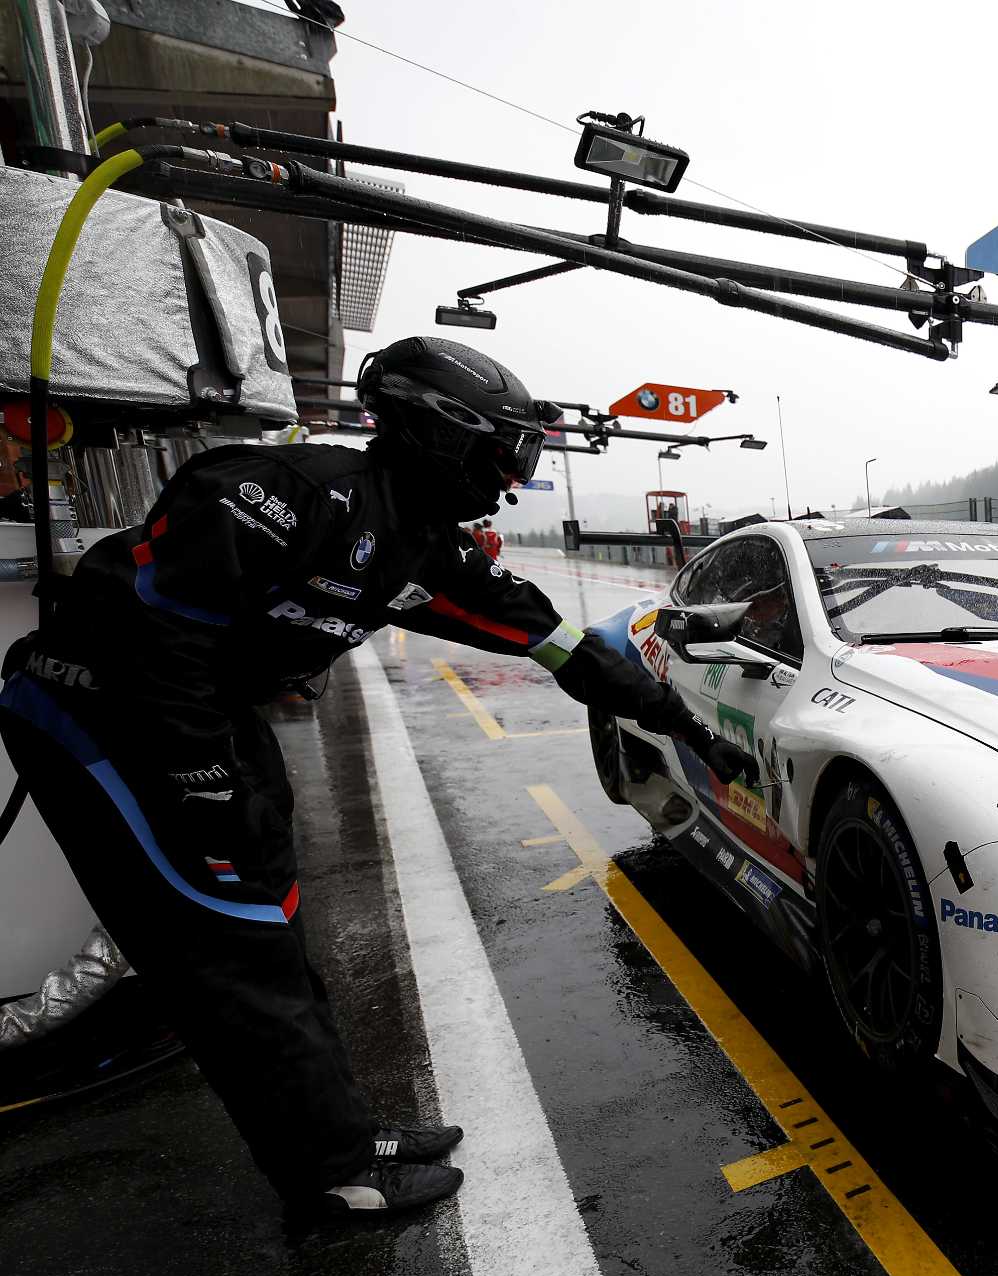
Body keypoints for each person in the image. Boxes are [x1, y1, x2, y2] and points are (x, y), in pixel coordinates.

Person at [0, 337, 756, 1219]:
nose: (511, 479)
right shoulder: (280, 492)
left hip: (205, 712)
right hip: (99, 709)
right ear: (442, 433)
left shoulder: (425, 548)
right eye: (503, 454)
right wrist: (206, 784)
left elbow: (567, 650)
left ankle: (347, 1131)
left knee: (277, 924)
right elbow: (155, 640)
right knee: (234, 943)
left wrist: (688, 728)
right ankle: (331, 1176)